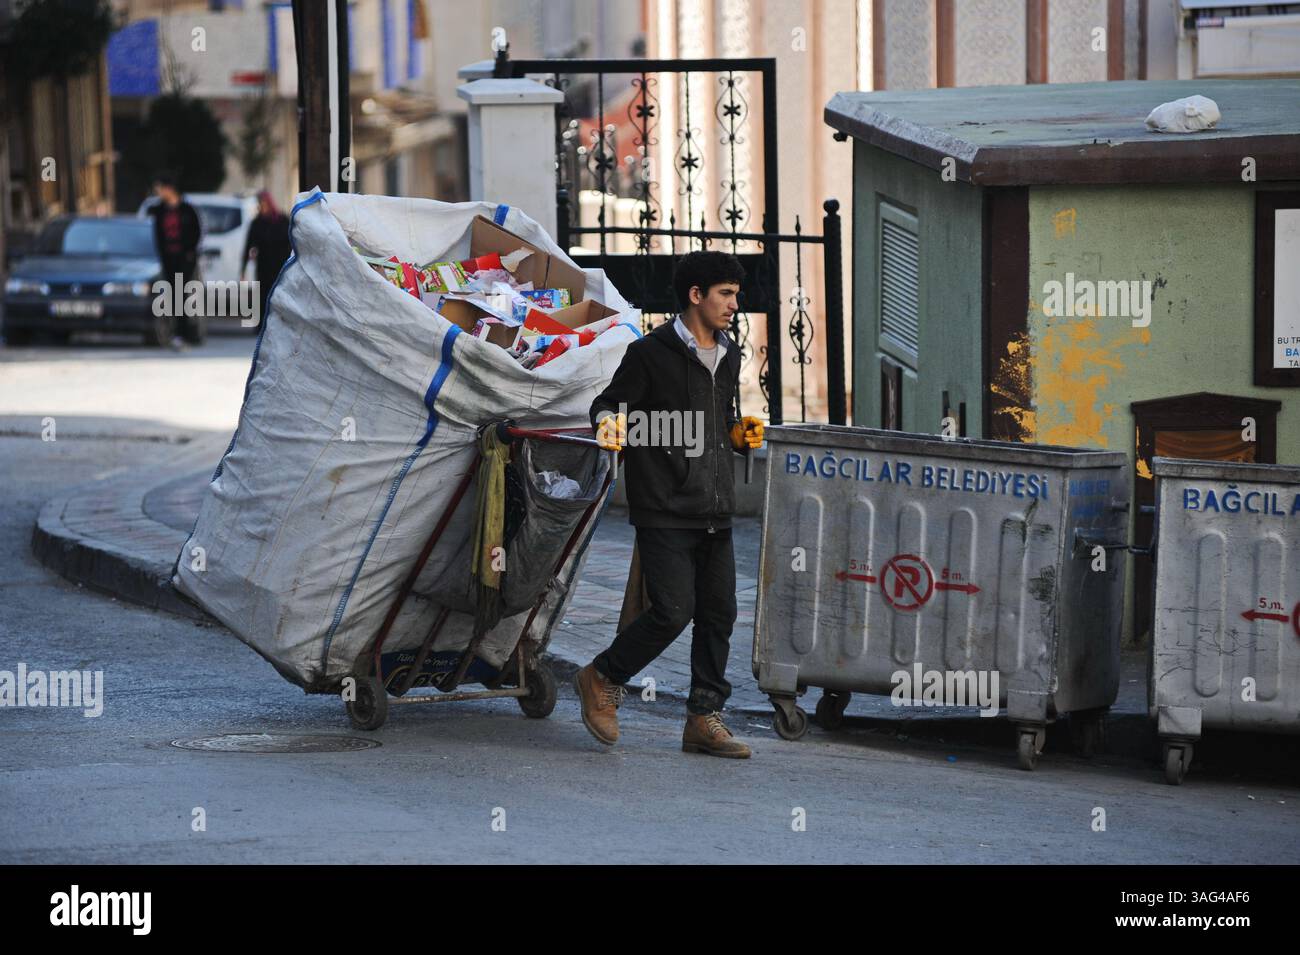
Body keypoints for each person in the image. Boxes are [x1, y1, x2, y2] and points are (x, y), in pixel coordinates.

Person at [575, 251, 765, 757]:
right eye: (725, 293)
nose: (734, 304)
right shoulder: (650, 353)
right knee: (672, 611)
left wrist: (736, 436)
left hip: (715, 504)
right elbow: (610, 404)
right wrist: (609, 423)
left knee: (720, 612)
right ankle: (601, 676)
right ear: (695, 295)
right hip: (664, 505)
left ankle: (704, 718)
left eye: (736, 294)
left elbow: (718, 417)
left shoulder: (729, 353)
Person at [148, 173, 205, 344]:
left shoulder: (187, 210)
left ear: (169, 189)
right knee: (173, 296)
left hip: (185, 260)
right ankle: (177, 332)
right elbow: (157, 234)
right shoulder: (159, 210)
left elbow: (197, 232)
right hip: (168, 259)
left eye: (160, 188)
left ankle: (190, 332)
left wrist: (190, 253)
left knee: (186, 295)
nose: (158, 191)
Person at [241, 190, 291, 331]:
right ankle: (262, 325)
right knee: (262, 296)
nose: (261, 207)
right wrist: (243, 270)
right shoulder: (257, 223)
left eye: (263, 204)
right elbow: (248, 246)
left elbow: (291, 243)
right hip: (263, 266)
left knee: (279, 295)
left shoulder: (282, 221)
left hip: (280, 266)